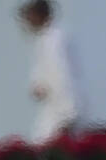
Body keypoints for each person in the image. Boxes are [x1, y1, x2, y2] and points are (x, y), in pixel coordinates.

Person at [19, 1, 84, 145]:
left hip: (60, 113)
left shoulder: (54, 40)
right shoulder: (44, 39)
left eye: (30, 16)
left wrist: (68, 114)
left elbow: (63, 76)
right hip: (51, 107)